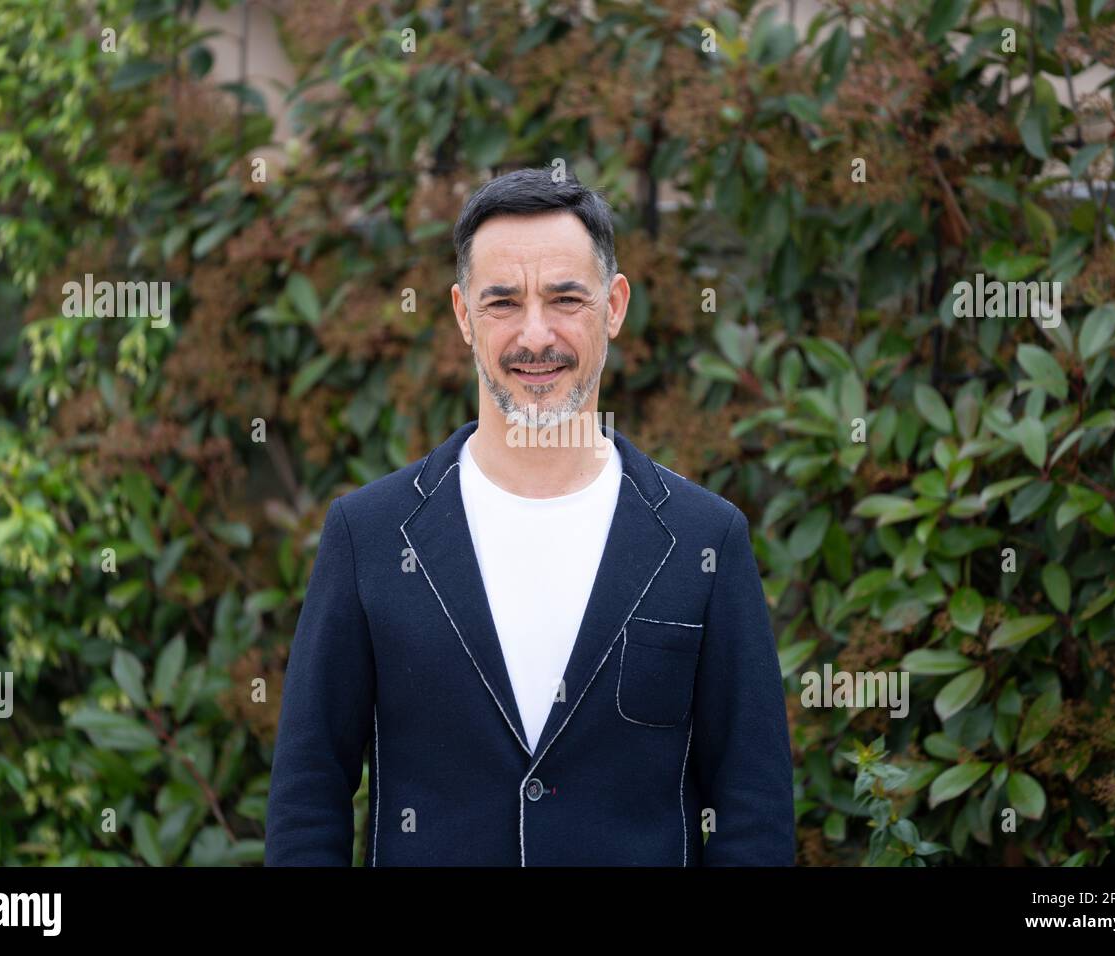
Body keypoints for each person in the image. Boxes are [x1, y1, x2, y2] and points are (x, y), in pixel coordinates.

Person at [265, 168, 794, 865]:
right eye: (504, 302)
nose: (535, 335)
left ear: (614, 306)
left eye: (565, 298)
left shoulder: (705, 539)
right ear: (461, 314)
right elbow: (308, 798)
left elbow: (752, 812)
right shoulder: (369, 535)